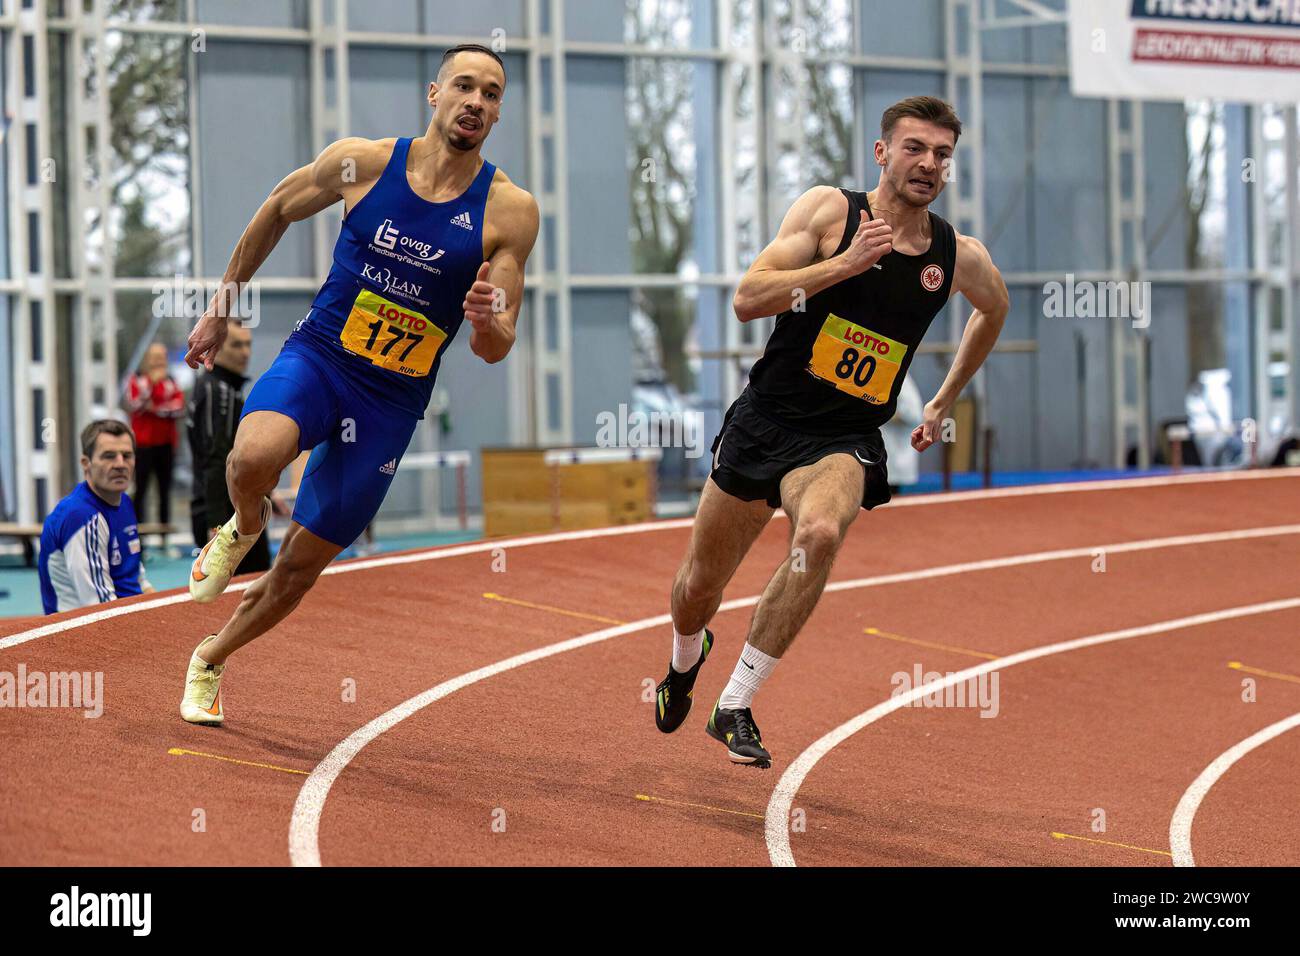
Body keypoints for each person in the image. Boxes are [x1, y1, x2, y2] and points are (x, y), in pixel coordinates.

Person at [177, 43, 538, 725]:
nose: (477, 103)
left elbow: (495, 347)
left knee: (302, 566)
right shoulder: (365, 163)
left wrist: (490, 322)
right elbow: (279, 206)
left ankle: (211, 656)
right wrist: (222, 305)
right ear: (434, 94)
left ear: (497, 111)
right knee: (252, 457)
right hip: (321, 358)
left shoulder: (510, 211)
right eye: (465, 87)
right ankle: (245, 522)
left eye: (491, 94)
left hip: (390, 403)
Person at [654, 96, 1010, 768]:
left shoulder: (955, 254)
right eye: (915, 148)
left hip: (842, 439)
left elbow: (994, 310)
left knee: (818, 534)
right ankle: (684, 655)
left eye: (941, 155)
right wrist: (842, 267)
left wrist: (941, 400)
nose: (928, 164)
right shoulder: (828, 212)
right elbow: (747, 298)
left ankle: (734, 705)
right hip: (767, 422)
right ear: (882, 153)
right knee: (700, 585)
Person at [187, 318, 286, 575]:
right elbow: (215, 458)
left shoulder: (228, 389)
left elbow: (236, 451)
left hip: (237, 507)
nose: (245, 353)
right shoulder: (216, 390)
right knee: (247, 589)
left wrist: (269, 495)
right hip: (226, 514)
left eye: (248, 345)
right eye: (236, 345)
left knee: (254, 584)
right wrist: (215, 523)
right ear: (217, 348)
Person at [38, 420, 155, 614]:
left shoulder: (124, 502)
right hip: (79, 634)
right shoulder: (81, 517)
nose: (120, 464)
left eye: (127, 456)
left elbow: (137, 577)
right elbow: (101, 609)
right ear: (86, 463)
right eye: (109, 456)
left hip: (127, 616)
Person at [124, 342, 185, 538]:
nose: (158, 361)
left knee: (164, 491)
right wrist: (151, 387)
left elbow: (178, 408)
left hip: (165, 444)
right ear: (147, 359)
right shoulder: (137, 380)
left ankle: (164, 538)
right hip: (142, 445)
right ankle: (138, 538)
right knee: (140, 491)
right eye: (155, 356)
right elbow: (134, 404)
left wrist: (155, 409)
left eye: (162, 356)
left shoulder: (171, 381)